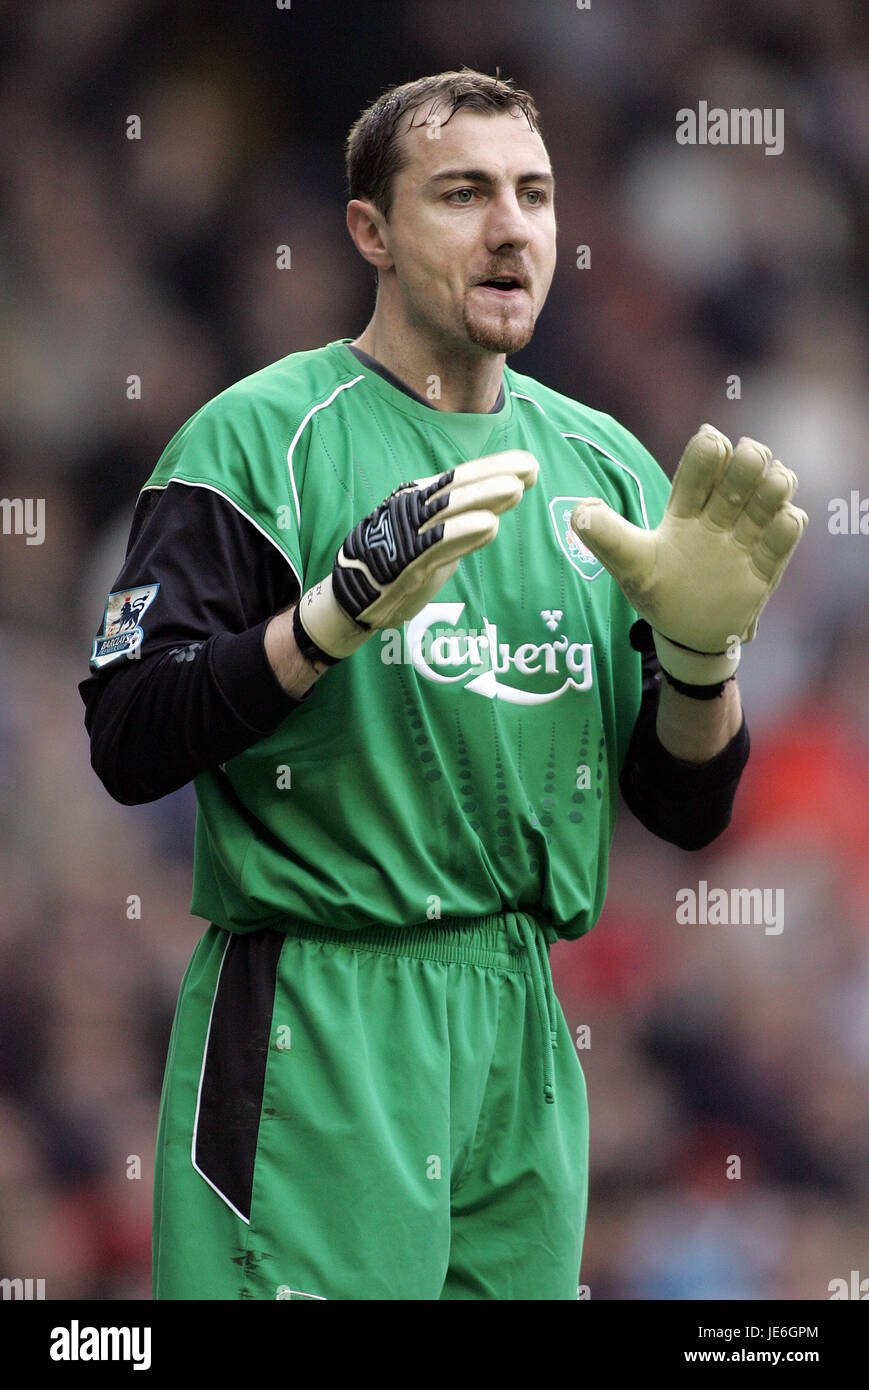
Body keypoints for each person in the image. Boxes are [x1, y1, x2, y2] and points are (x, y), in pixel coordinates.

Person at [79, 69, 806, 1301]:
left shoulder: (606, 467)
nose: (509, 227)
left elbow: (683, 808)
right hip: (316, 1008)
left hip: (520, 1019)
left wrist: (697, 658)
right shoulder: (259, 439)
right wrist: (326, 620)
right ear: (370, 230)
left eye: (532, 195)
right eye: (462, 193)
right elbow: (128, 736)